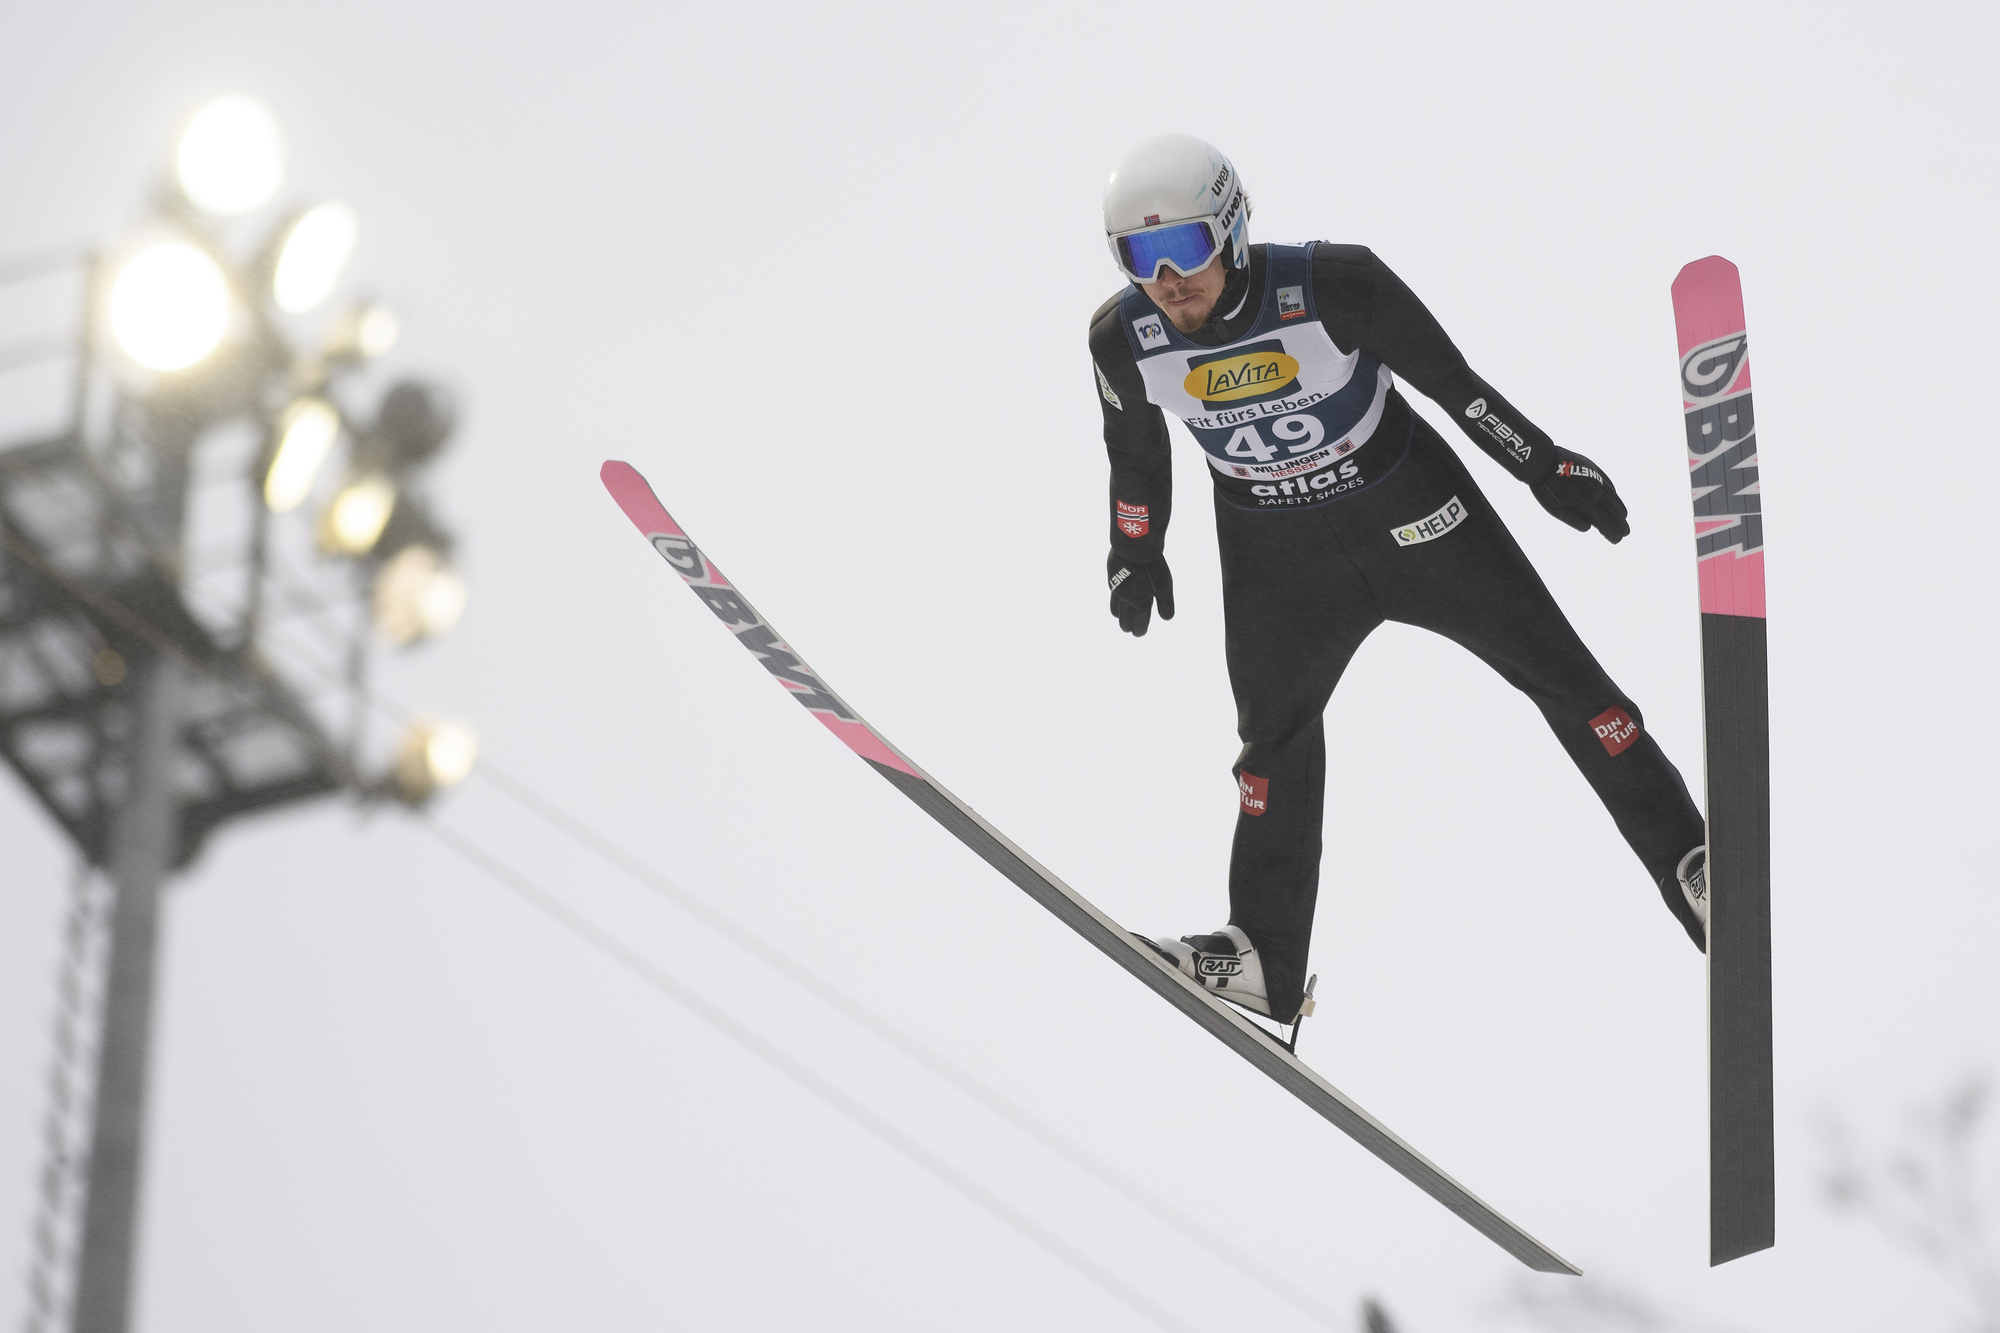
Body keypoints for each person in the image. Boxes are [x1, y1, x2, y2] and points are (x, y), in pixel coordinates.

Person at [1089, 134, 1709, 1026]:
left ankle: (1691, 862)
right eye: (1138, 256)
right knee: (1272, 742)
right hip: (1277, 557)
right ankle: (1263, 953)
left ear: (1228, 229)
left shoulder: (1333, 284)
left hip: (1415, 515)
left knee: (1567, 680)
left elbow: (1458, 388)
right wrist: (1135, 550)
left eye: (1182, 247)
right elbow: (1136, 456)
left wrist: (1544, 466)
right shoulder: (1122, 339)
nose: (1166, 279)